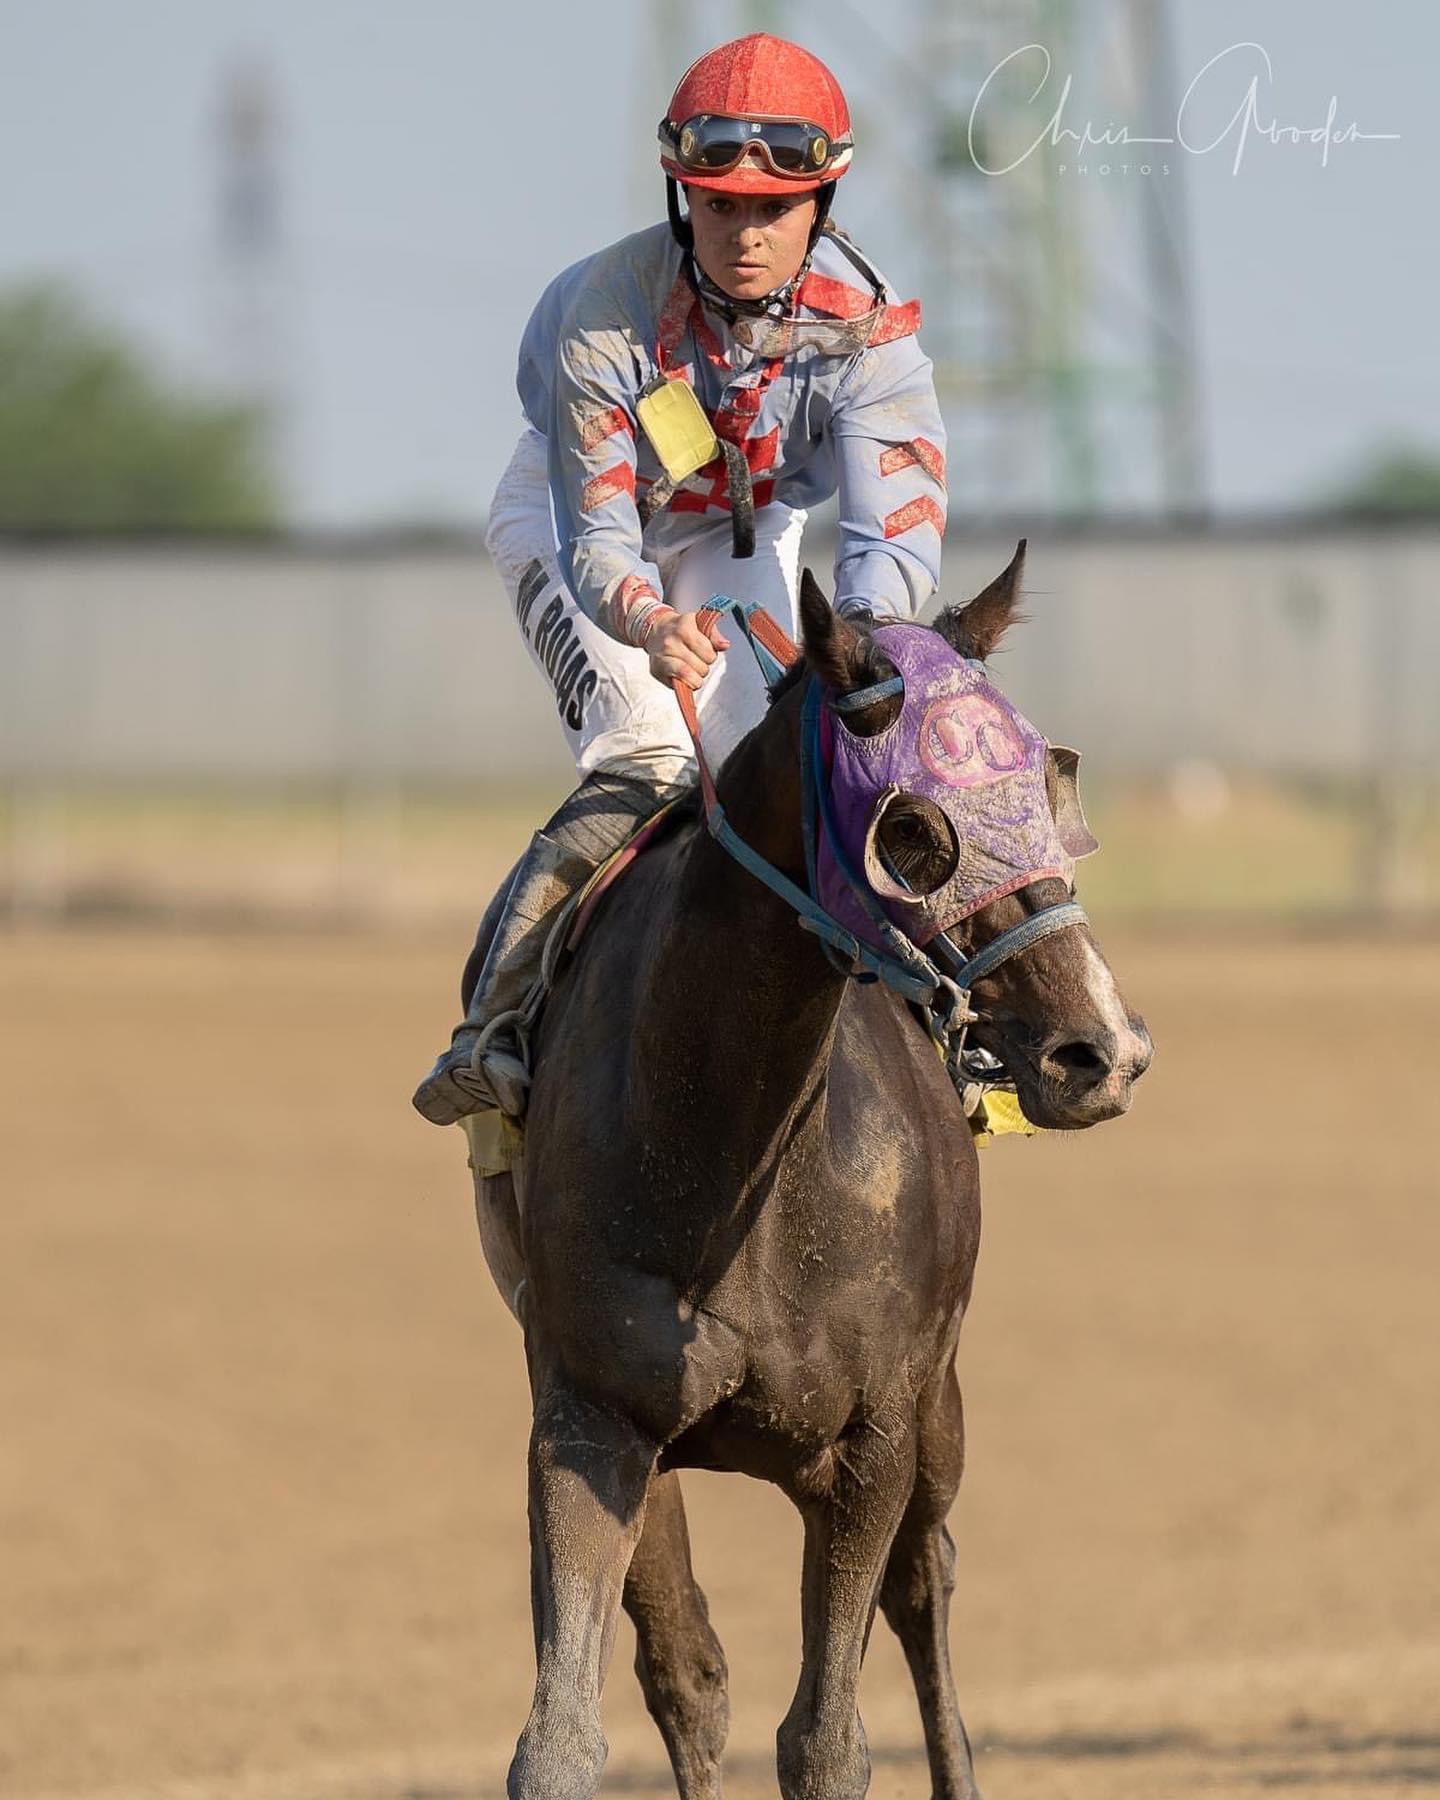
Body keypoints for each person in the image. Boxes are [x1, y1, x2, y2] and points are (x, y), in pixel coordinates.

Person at [413, 31, 948, 1126]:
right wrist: (650, 625)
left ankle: (946, 1026)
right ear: (679, 196)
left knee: (794, 765)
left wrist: (858, 662)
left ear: (824, 200)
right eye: (718, 206)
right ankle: (493, 1033)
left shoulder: (875, 337)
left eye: (774, 208)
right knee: (653, 753)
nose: (746, 237)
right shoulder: (602, 315)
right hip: (575, 526)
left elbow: (893, 541)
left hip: (737, 526)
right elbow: (602, 536)